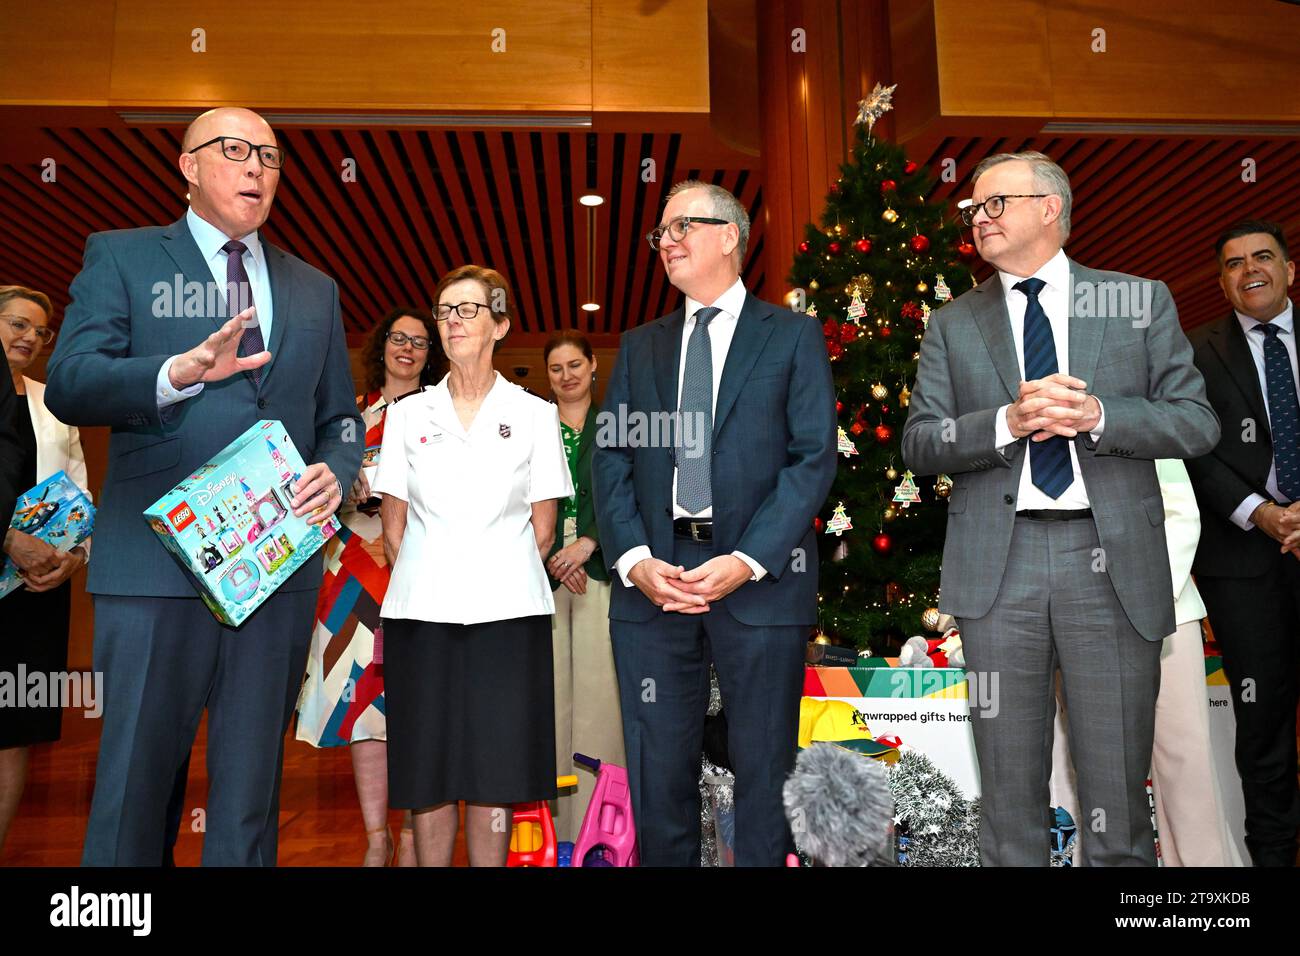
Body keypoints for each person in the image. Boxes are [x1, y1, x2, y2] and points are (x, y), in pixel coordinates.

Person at [44, 107, 363, 866]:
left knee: (251, 793)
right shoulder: (122, 258)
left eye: (271, 156)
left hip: (274, 569)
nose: (256, 167)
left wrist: (337, 470)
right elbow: (70, 383)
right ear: (187, 166)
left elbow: (341, 419)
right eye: (233, 150)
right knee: (134, 787)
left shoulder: (314, 287)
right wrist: (173, 373)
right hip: (153, 568)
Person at [901, 151, 1219, 866]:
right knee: (1011, 801)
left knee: (1115, 798)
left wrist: (1102, 415)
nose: (978, 221)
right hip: (998, 570)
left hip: (1110, 568)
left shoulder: (1135, 300)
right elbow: (921, 443)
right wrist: (1004, 425)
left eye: (994, 205)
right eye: (971, 211)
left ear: (1050, 207)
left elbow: (1196, 422)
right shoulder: (954, 323)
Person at [591, 181, 837, 866]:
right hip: (655, 584)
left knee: (765, 774)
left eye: (682, 227)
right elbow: (608, 457)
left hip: (760, 583)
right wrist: (636, 558)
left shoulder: (790, 336)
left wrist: (748, 559)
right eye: (659, 234)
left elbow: (812, 458)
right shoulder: (641, 347)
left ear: (730, 235)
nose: (665, 242)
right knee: (658, 774)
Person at [373, 265, 571, 866]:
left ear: (500, 326)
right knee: (426, 771)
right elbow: (392, 525)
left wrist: (483, 574)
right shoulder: (408, 414)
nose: (453, 321)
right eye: (445, 311)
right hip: (422, 613)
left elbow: (543, 530)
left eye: (468, 310)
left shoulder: (536, 414)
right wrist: (442, 576)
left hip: (508, 616)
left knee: (498, 770)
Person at [295, 307, 444, 866]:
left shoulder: (442, 414)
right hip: (352, 571)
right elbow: (309, 498)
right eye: (398, 338)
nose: (407, 348)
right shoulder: (348, 418)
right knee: (363, 708)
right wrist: (344, 498)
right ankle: (376, 837)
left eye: (420, 342)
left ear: (432, 355)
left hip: (421, 570)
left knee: (417, 707)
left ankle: (413, 835)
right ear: (381, 347)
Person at [1050, 458, 1244, 866]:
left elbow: (1180, 513)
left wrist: (1140, 603)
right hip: (1075, 623)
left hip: (1166, 616)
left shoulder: (1143, 407)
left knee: (1185, 766)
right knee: (1092, 771)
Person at [1185, 220, 1300, 867]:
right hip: (1242, 563)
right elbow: (1192, 448)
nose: (1249, 269)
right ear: (1223, 281)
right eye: (1233, 263)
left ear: (1289, 269)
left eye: (1262, 257)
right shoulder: (1196, 352)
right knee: (1264, 723)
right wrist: (1262, 514)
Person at [0, 286, 92, 856]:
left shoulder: (54, 403)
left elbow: (81, 495)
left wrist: (72, 562)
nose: (30, 337)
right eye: (17, 323)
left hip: (35, 594)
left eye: (41, 331)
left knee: (14, 737)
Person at [541, 330, 624, 844]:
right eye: (556, 368)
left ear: (594, 366)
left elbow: (634, 494)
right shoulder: (531, 426)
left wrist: (591, 542)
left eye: (575, 365)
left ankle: (605, 828)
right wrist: (552, 553)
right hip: (543, 580)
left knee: (600, 702)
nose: (567, 375)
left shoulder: (618, 425)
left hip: (601, 574)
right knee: (550, 702)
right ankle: (554, 832)